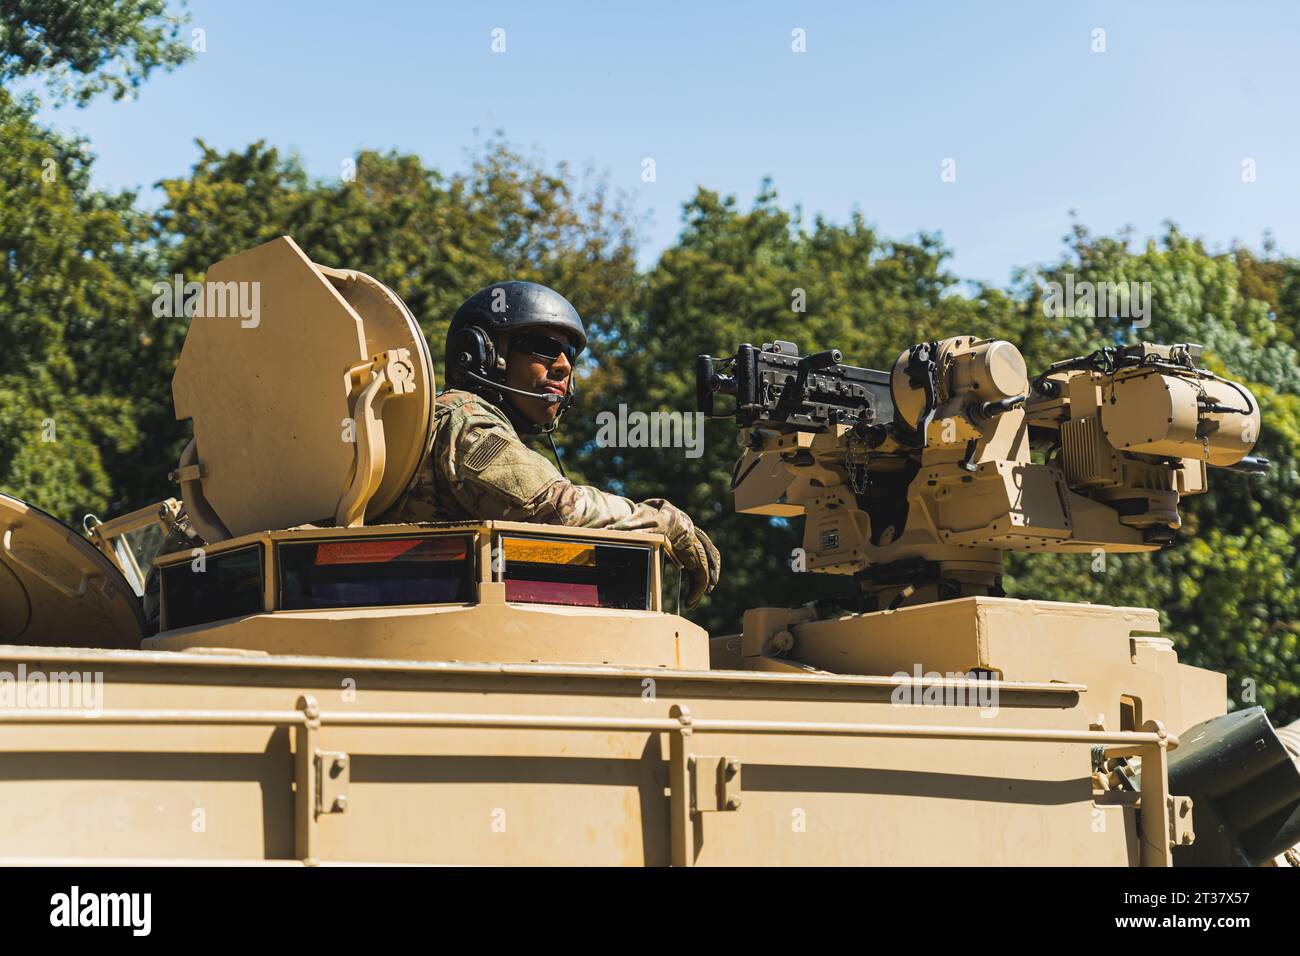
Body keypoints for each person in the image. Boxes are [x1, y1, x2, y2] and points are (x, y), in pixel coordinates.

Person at [380, 280, 720, 608]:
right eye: (543, 347)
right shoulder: (466, 420)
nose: (563, 365)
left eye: (569, 353)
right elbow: (556, 507)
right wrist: (668, 523)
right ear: (484, 354)